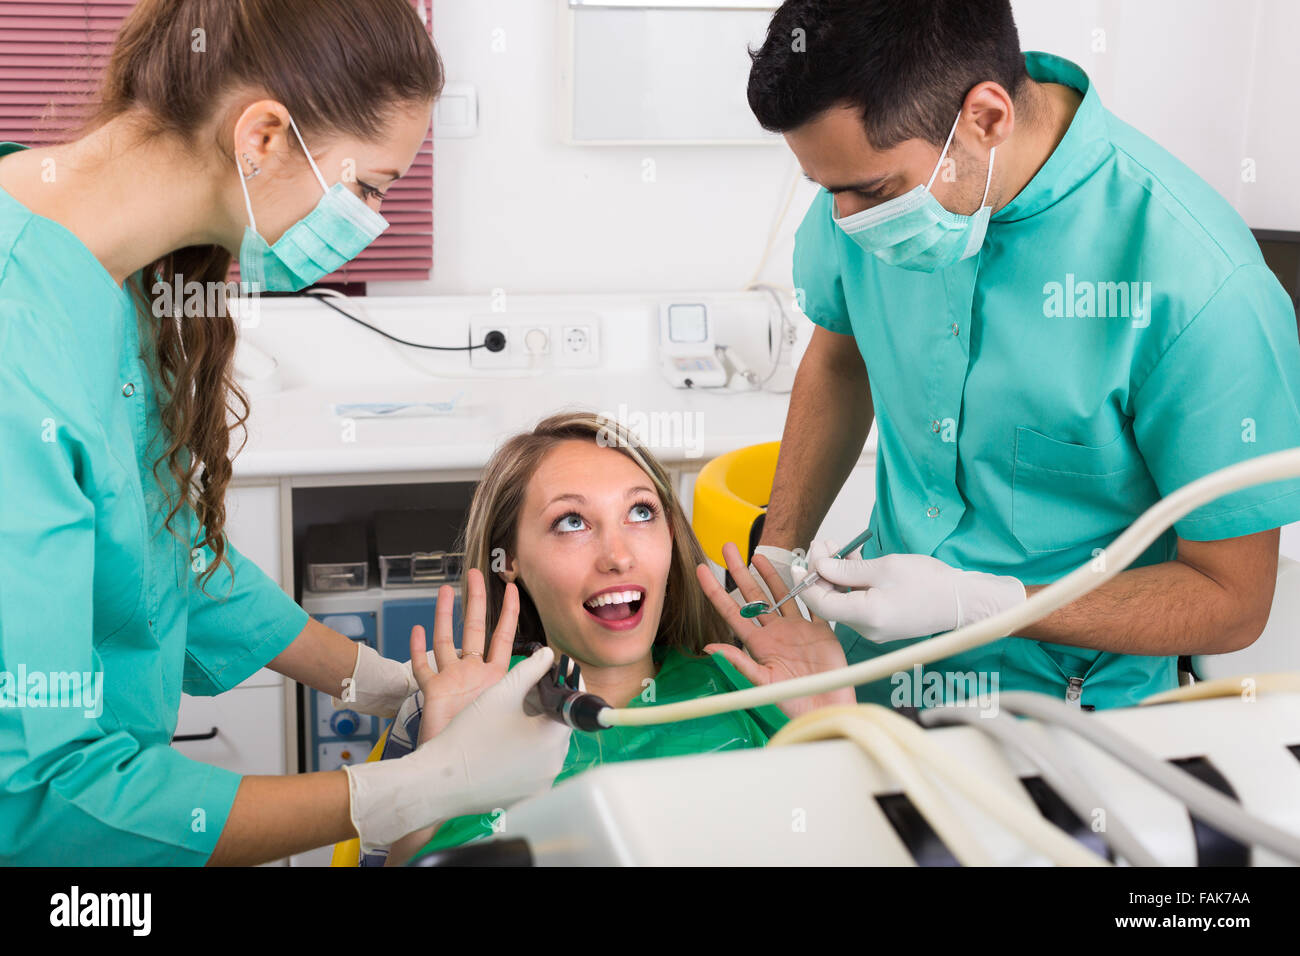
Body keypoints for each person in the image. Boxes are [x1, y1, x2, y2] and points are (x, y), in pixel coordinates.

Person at [0, 0, 568, 867]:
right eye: (369, 187)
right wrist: (413, 789)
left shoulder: (120, 274)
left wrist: (379, 687)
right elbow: (37, 798)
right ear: (262, 137)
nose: (371, 221)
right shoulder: (17, 341)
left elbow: (170, 557)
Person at [744, 0, 1300, 711]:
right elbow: (840, 355)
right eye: (827, 193)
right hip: (872, 674)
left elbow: (1233, 600)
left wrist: (980, 603)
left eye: (872, 191)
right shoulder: (868, 197)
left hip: (1064, 719)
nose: (846, 223)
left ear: (985, 119)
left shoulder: (1202, 287)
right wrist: (780, 553)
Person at [378, 411, 854, 866]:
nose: (618, 556)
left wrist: (835, 728)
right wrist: (430, 791)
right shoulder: (477, 716)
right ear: (510, 560)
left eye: (641, 512)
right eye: (571, 522)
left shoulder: (754, 691)